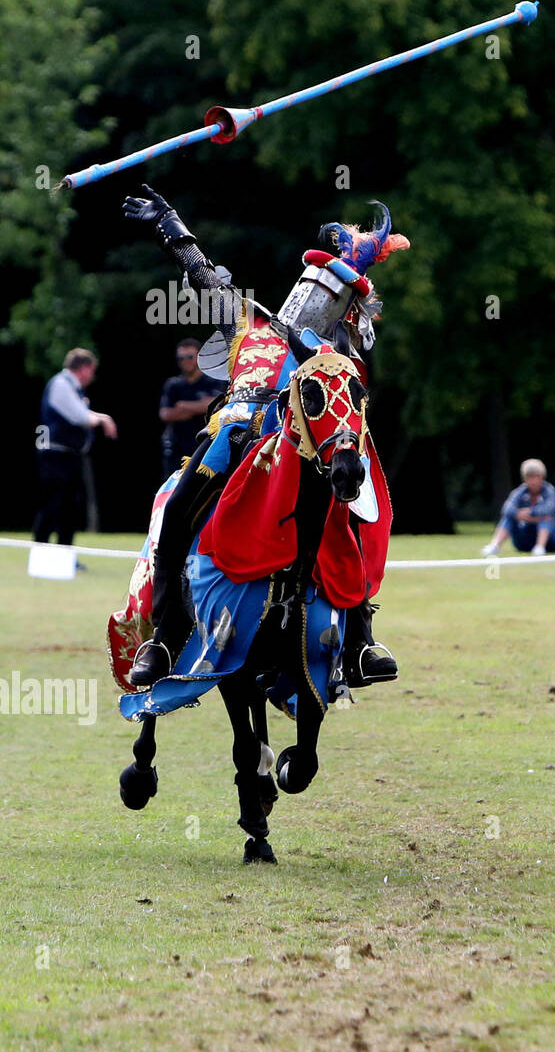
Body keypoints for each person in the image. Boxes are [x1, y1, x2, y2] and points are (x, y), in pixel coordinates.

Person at [120, 185, 404, 691]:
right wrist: (170, 225)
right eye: (309, 283)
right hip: (233, 438)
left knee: (354, 509)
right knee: (178, 507)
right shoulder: (249, 321)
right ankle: (164, 635)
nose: (309, 296)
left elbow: (342, 411)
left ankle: (360, 639)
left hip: (299, 449)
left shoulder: (337, 352)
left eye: (325, 292)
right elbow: (204, 276)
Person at [33, 349, 118, 547]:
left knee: (69, 508)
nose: (92, 376)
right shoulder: (61, 384)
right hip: (55, 456)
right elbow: (79, 416)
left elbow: (82, 412)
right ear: (85, 368)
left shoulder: (72, 387)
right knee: (52, 506)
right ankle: (40, 552)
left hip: (69, 456)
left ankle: (64, 555)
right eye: (92, 370)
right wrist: (103, 420)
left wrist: (102, 418)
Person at [159, 338, 221, 479]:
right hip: (177, 450)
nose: (185, 361)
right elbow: (165, 414)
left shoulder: (213, 381)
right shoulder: (173, 385)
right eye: (181, 358)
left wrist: (183, 406)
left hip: (204, 448)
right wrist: (199, 407)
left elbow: (214, 405)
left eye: (190, 357)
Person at [482, 459, 555, 556]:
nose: (534, 481)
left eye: (536, 477)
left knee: (546, 518)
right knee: (509, 517)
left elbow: (549, 509)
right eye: (530, 478)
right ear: (525, 479)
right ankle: (495, 545)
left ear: (542, 477)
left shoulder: (550, 491)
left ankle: (540, 547)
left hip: (548, 541)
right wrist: (523, 515)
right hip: (523, 538)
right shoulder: (520, 491)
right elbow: (507, 509)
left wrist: (530, 512)